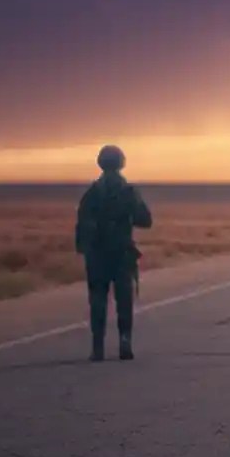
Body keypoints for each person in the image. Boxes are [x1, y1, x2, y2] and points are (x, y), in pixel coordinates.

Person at [75, 145, 153, 362]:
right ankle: (124, 342)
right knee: (124, 301)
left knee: (98, 300)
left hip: (97, 255)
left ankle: (97, 347)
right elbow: (146, 220)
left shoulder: (92, 193)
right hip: (121, 253)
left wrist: (85, 249)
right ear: (121, 163)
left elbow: (81, 224)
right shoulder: (128, 192)